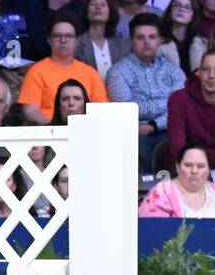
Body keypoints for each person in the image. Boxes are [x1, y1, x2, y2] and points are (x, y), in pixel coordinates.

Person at [105, 13, 185, 172]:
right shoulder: (118, 72)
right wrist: (167, 104)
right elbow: (128, 111)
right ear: (131, 41)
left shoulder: (173, 71)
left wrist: (154, 124)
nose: (147, 42)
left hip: (171, 128)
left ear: (160, 40)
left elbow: (181, 107)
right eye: (140, 37)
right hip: (137, 134)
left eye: (152, 37)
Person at [17, 17, 109, 124]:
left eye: (68, 36)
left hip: (84, 133)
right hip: (49, 133)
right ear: (49, 40)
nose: (63, 41)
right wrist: (56, 129)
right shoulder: (36, 71)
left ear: (77, 41)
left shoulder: (90, 73)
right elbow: (30, 112)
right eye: (57, 36)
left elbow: (102, 111)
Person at [166, 49, 215, 169]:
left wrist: (196, 155)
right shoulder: (179, 99)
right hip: (189, 173)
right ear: (199, 72)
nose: (211, 75)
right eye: (205, 69)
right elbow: (179, 152)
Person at [138, 144, 215, 218]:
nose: (194, 171)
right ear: (177, 167)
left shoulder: (213, 189)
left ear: (208, 170)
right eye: (188, 165)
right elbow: (153, 229)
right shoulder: (160, 193)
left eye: (201, 166)